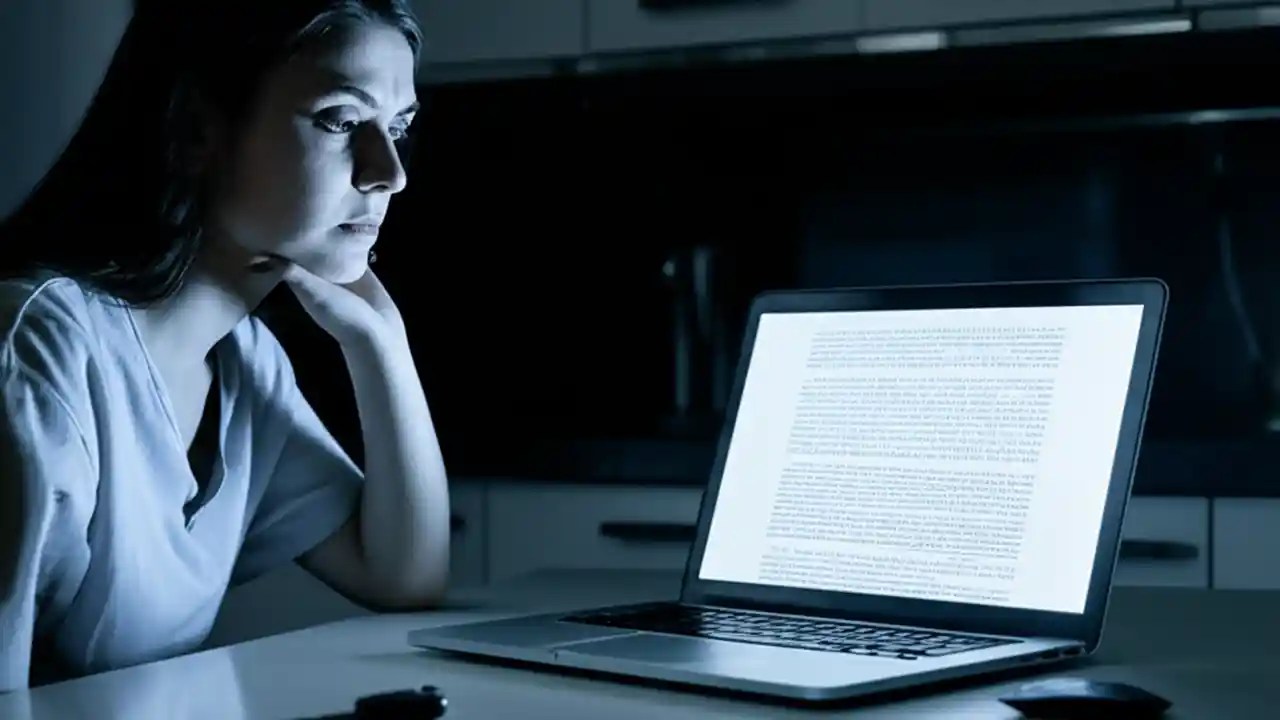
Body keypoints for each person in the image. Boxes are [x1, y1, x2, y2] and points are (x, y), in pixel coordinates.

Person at [0, 0, 449, 691]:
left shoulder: (247, 366)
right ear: (197, 132)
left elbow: (404, 575)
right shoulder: (42, 348)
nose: (389, 171)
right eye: (340, 120)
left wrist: (381, 343)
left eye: (398, 128)